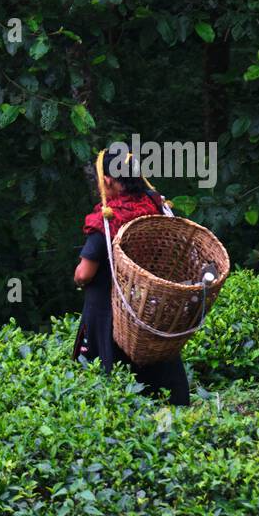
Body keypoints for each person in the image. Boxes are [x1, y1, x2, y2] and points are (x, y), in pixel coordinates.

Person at [72, 148, 190, 406]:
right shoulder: (154, 204)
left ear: (108, 181)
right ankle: (171, 403)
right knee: (155, 357)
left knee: (109, 371)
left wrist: (79, 279)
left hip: (111, 310)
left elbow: (84, 273)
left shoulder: (108, 219)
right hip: (149, 304)